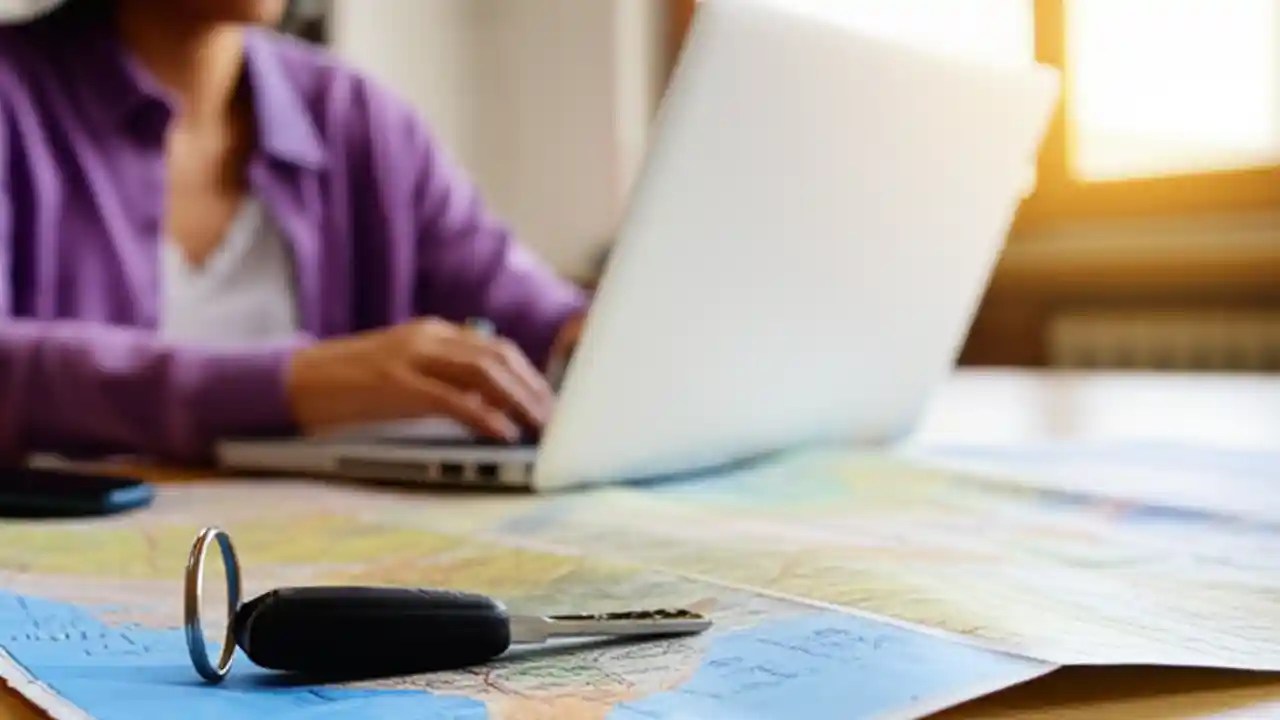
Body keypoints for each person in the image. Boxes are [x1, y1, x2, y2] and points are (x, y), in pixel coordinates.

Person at [0, 0, 589, 463]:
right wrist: (291, 386)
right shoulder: (15, 101)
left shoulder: (353, 115)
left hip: (311, 580)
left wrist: (595, 340)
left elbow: (524, 305)